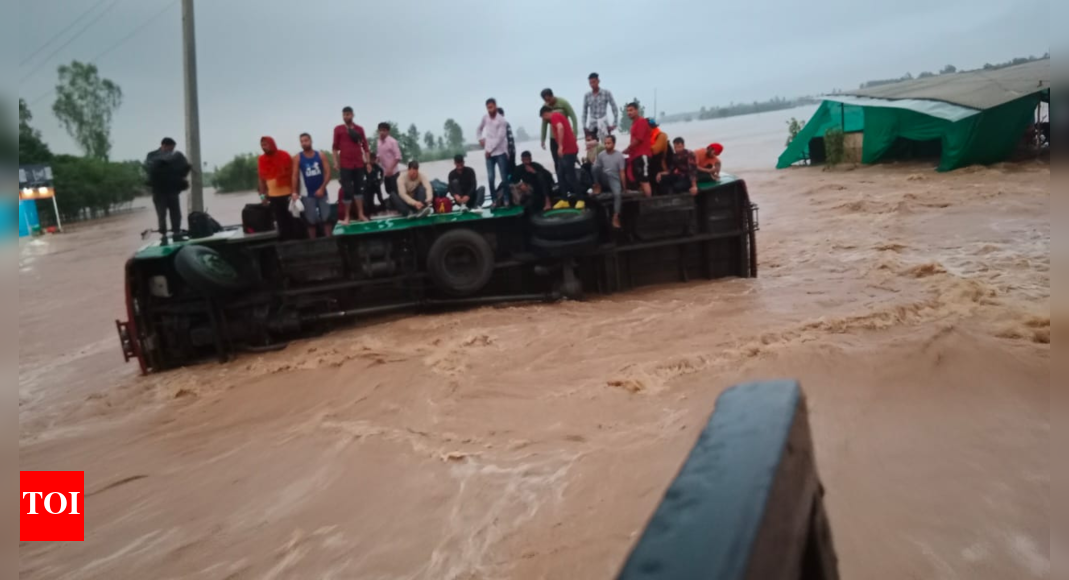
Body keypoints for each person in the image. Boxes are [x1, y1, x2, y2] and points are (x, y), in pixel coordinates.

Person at [144, 137, 191, 245]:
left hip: (172, 190)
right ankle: (163, 234)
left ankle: (176, 232)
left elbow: (182, 169)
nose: (171, 151)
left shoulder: (175, 156)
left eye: (173, 149)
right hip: (159, 191)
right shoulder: (152, 155)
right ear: (163, 146)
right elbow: (151, 168)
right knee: (162, 213)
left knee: (176, 213)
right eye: (170, 149)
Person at [332, 106, 371, 224]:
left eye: (348, 114)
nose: (346, 117)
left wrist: (368, 163)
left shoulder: (360, 129)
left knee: (359, 190)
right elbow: (334, 148)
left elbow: (366, 147)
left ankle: (360, 214)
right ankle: (347, 216)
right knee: (347, 191)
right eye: (344, 115)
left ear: (353, 115)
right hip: (345, 165)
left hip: (358, 163)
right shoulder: (338, 129)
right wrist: (335, 162)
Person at [291, 133, 332, 239]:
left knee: (326, 218)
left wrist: (322, 188)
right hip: (307, 194)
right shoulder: (298, 158)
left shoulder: (320, 155)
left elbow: (328, 173)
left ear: (311, 141)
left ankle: (329, 240)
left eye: (306, 140)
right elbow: (295, 176)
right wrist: (294, 192)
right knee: (311, 221)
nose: (304, 143)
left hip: (322, 192)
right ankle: (313, 242)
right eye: (302, 141)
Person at [541, 105, 583, 209]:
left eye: (544, 118)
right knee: (560, 175)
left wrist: (560, 146)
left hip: (569, 150)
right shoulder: (556, 117)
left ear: (546, 114)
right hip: (564, 151)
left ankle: (581, 199)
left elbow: (560, 128)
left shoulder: (555, 116)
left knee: (571, 175)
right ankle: (564, 200)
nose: (545, 120)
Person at [258, 136, 297, 239]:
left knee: (293, 219)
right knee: (280, 221)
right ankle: (286, 244)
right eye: (262, 145)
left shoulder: (284, 155)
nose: (264, 147)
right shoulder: (262, 160)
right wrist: (262, 197)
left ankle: (298, 241)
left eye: (266, 144)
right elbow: (261, 180)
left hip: (288, 194)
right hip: (273, 197)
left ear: (272, 144)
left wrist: (295, 192)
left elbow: (294, 175)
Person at [477, 98, 510, 206]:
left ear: (495, 106)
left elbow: (500, 138)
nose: (490, 110)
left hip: (500, 152)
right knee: (491, 178)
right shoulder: (485, 118)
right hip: (489, 153)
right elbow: (479, 129)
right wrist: (480, 139)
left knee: (504, 177)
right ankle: (494, 200)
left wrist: (490, 150)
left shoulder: (501, 120)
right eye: (488, 108)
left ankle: (506, 199)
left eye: (491, 107)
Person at [592, 135, 627, 229]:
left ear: (614, 144)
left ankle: (615, 217)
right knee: (594, 167)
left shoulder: (619, 156)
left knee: (617, 194)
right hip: (604, 176)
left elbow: (622, 172)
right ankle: (597, 186)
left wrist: (624, 187)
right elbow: (597, 168)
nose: (607, 145)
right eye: (605, 143)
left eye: (609, 143)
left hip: (614, 177)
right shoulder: (601, 155)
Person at [539, 89, 579, 170]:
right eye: (545, 100)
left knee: (568, 161)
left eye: (549, 99)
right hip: (553, 138)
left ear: (552, 96)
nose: (548, 102)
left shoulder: (563, 102)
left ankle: (573, 178)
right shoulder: (545, 107)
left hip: (565, 137)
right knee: (557, 161)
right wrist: (542, 139)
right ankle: (561, 180)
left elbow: (573, 117)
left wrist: (575, 133)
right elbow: (544, 124)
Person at [623, 103, 653, 197]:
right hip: (635, 155)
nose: (629, 113)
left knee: (644, 180)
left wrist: (628, 148)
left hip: (642, 155)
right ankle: (644, 201)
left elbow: (639, 139)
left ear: (637, 110)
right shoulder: (634, 124)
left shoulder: (641, 121)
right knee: (639, 180)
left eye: (631, 110)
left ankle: (649, 202)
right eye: (627, 111)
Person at [582, 73, 619, 140]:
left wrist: (615, 123)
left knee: (606, 146)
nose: (592, 85)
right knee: (592, 147)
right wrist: (584, 126)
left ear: (598, 81)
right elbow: (584, 112)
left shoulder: (606, 93)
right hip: (592, 125)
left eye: (594, 82)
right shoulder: (587, 95)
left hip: (604, 124)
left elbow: (614, 108)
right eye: (590, 83)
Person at [376, 122, 403, 210]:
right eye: (380, 130)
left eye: (384, 130)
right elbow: (379, 155)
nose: (382, 132)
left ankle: (400, 208)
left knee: (396, 191)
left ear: (388, 131)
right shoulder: (378, 141)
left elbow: (398, 157)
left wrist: (390, 168)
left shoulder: (392, 141)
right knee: (388, 190)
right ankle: (393, 206)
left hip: (393, 172)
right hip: (385, 172)